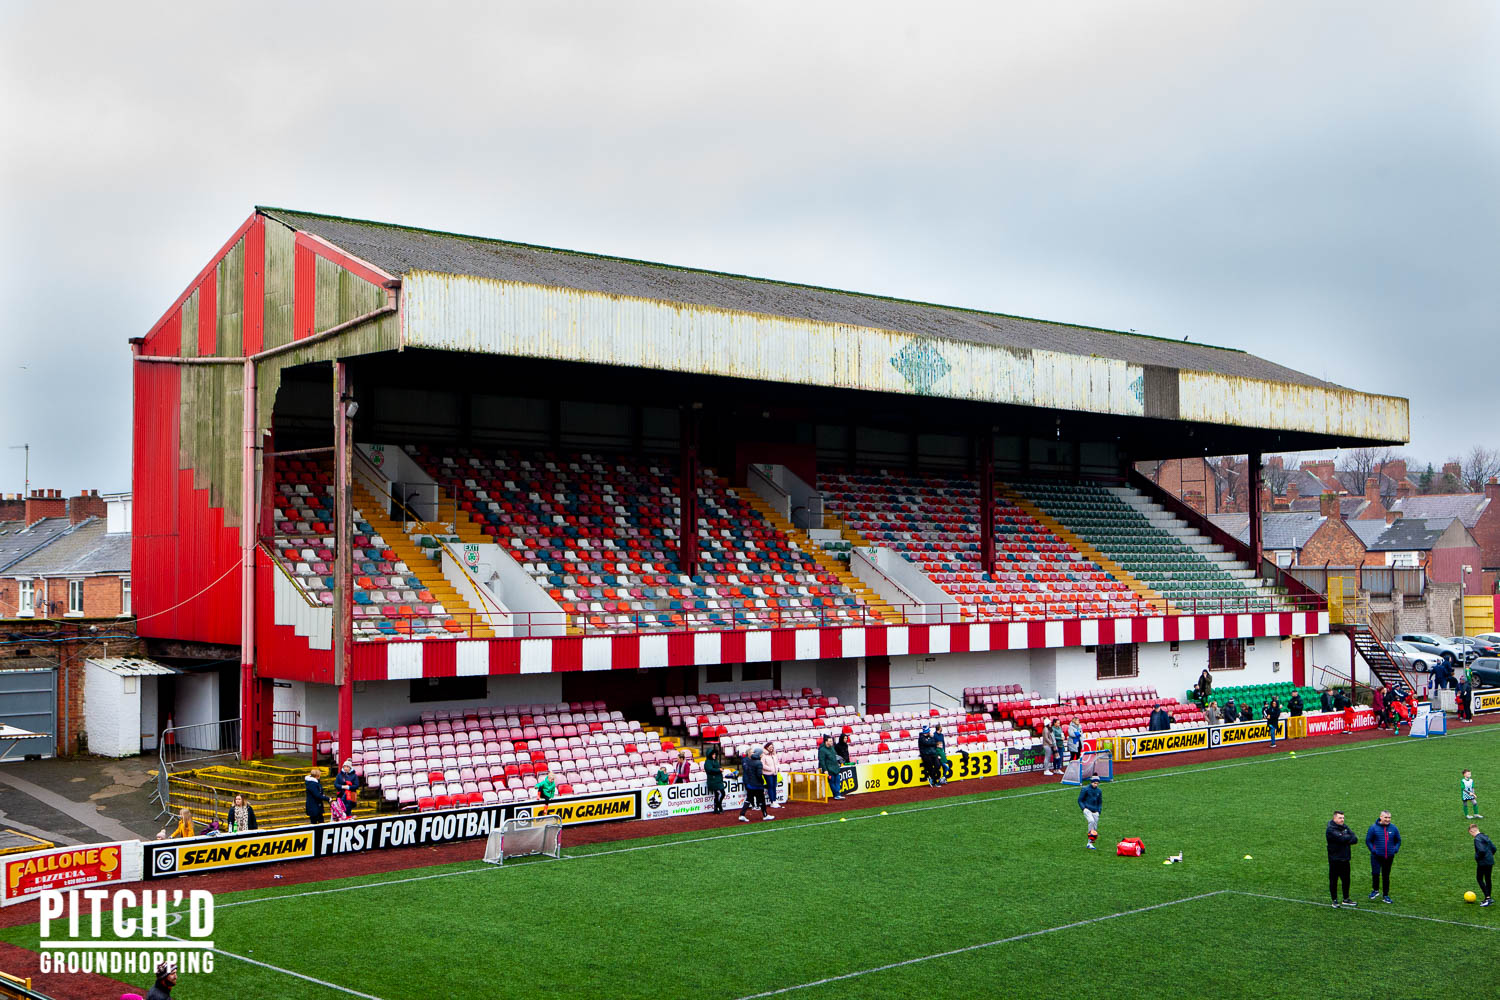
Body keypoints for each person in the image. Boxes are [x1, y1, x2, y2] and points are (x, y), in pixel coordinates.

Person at [1365, 810, 1401, 903]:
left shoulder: (1393, 828)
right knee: (1375, 873)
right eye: (1386, 817)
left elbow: (1398, 840)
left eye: (1389, 818)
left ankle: (1385, 895)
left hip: (1389, 856)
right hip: (1376, 856)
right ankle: (1375, 890)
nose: (1388, 819)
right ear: (1380, 817)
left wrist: (1395, 849)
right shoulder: (1373, 828)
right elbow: (1368, 840)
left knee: (1386, 876)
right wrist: (1373, 850)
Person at [1325, 810, 1358, 907]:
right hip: (1335, 860)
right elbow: (1342, 839)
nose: (1342, 820)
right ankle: (1334, 900)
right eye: (1340, 818)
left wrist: (1345, 838)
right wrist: (1347, 838)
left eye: (1343, 818)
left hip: (1345, 858)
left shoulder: (1344, 827)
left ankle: (1346, 899)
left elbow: (1355, 839)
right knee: (1334, 880)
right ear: (1334, 818)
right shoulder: (1330, 829)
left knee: (1346, 880)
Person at [739, 748, 773, 821]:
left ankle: (742, 814)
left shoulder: (750, 761)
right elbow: (759, 774)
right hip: (757, 785)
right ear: (760, 754)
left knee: (748, 799)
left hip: (751, 784)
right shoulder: (758, 762)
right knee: (762, 800)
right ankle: (765, 815)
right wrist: (762, 783)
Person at [1471, 823, 1495, 907]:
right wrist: (1490, 856)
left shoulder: (1477, 839)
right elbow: (1494, 848)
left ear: (1472, 831)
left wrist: (1476, 857)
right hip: (1490, 861)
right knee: (1488, 879)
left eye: (1471, 833)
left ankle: (1487, 898)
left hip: (1483, 862)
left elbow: (1481, 851)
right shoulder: (1485, 836)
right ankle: (1489, 898)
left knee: (1479, 878)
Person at [1078, 775, 1102, 849]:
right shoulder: (1085, 789)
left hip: (1095, 811)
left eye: (1097, 783)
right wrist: (1083, 808)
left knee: (1094, 827)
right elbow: (1080, 800)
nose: (1096, 785)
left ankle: (1090, 843)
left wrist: (1099, 811)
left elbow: (1100, 802)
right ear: (1091, 782)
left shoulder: (1099, 791)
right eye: (1094, 783)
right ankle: (1090, 839)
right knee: (1091, 821)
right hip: (1087, 809)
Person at [818, 734, 844, 801]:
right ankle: (836, 794)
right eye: (830, 741)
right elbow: (822, 761)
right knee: (832, 782)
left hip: (835, 767)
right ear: (826, 742)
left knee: (837, 781)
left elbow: (835, 756)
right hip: (829, 769)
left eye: (831, 741)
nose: (831, 742)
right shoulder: (822, 750)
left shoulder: (832, 748)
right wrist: (825, 770)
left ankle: (837, 794)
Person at [704, 746, 725, 814]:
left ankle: (718, 806)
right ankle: (718, 807)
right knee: (718, 794)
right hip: (713, 780)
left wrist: (720, 769)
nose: (714, 756)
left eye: (715, 754)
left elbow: (718, 767)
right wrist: (718, 770)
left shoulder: (715, 761)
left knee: (722, 793)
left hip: (718, 779)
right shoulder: (707, 762)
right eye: (713, 754)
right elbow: (710, 770)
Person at [762, 742, 781, 809]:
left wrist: (777, 767)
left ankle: (774, 800)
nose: (771, 748)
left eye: (772, 747)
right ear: (767, 748)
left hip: (774, 773)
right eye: (770, 747)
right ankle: (772, 801)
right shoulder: (764, 755)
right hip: (767, 773)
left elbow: (777, 762)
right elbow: (762, 765)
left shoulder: (774, 755)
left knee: (774, 786)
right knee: (770, 786)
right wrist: (770, 769)